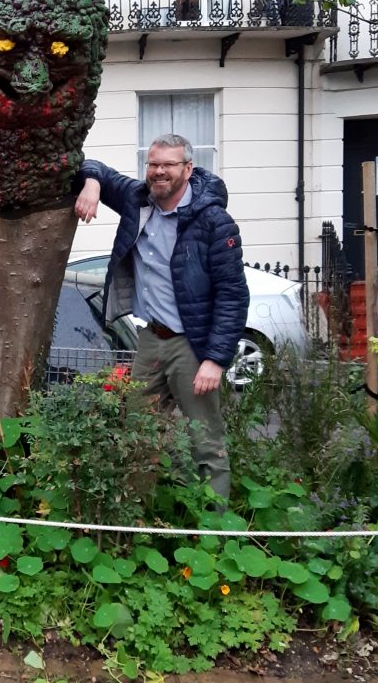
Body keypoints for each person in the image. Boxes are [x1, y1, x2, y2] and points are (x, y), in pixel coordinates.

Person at [74, 133, 249, 500]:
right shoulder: (137, 200)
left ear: (188, 168)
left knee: (206, 442)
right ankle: (140, 521)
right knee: (137, 433)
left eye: (168, 164)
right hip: (150, 340)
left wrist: (216, 360)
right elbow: (96, 168)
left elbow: (233, 295)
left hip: (192, 346)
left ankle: (216, 532)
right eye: (153, 164)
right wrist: (91, 185)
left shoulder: (214, 221)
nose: (158, 172)